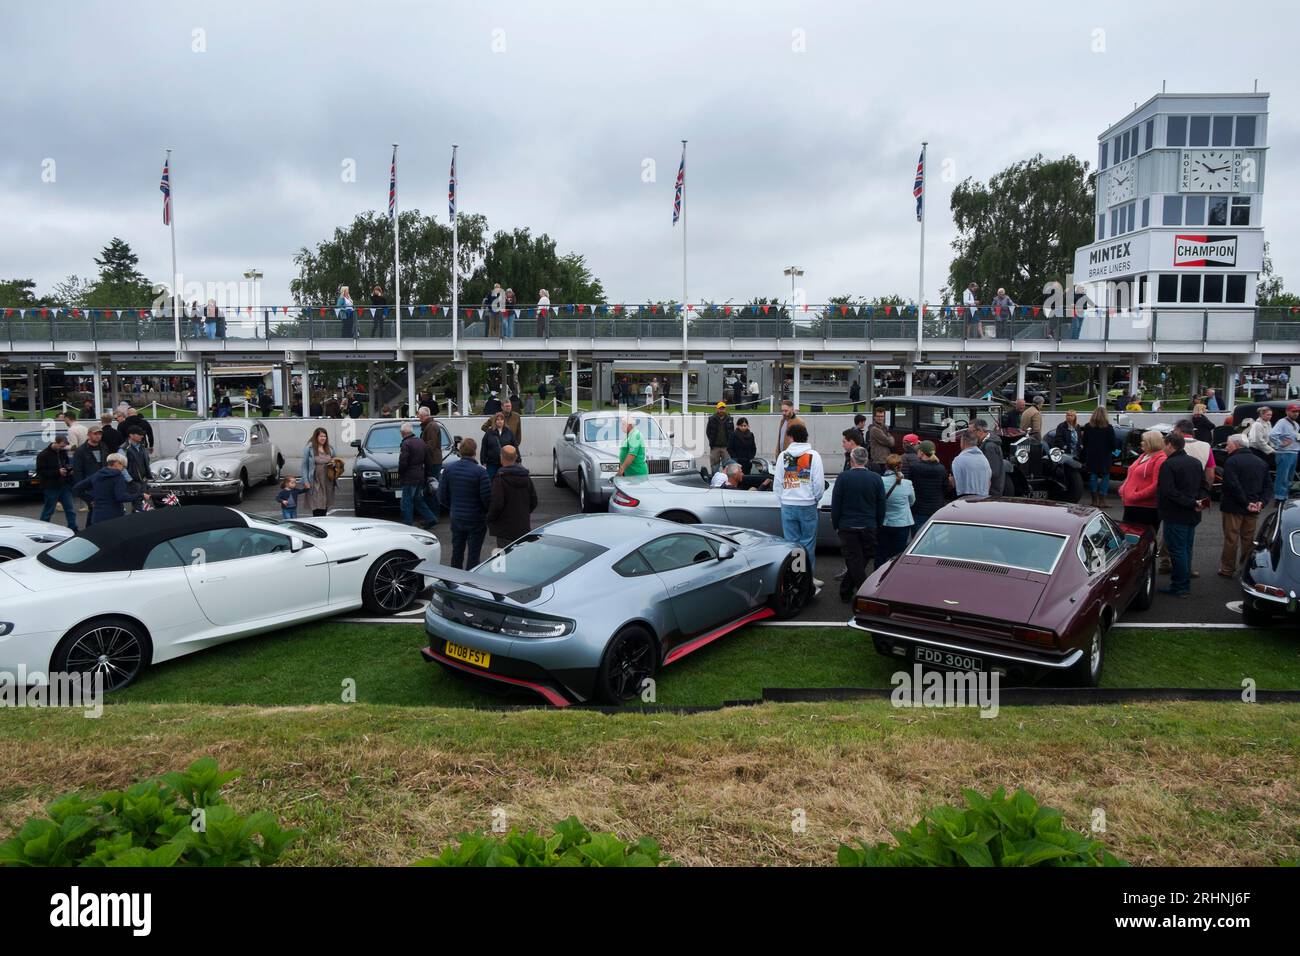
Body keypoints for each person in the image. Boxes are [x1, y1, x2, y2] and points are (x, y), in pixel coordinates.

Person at [831, 445, 885, 601]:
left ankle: (863, 593)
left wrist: (836, 524)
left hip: (847, 526)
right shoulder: (876, 478)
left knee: (854, 560)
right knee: (861, 559)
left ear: (852, 460)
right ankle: (846, 591)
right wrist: (878, 524)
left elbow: (836, 504)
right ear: (866, 460)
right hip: (869, 525)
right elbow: (881, 504)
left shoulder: (843, 477)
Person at [774, 421, 824, 585]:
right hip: (807, 504)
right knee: (808, 543)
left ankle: (795, 578)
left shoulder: (783, 456)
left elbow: (778, 482)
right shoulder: (813, 455)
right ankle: (807, 578)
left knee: (792, 543)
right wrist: (814, 498)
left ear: (791, 437)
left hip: (788, 503)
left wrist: (784, 498)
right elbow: (818, 483)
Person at [1157, 432, 1206, 597]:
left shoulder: (1169, 465)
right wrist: (1199, 502)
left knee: (1178, 550)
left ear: (1170, 445)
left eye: (1165, 444)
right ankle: (1182, 583)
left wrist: (1192, 503)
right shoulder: (1195, 462)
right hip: (1192, 514)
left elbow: (1168, 491)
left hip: (1176, 514)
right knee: (1186, 549)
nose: (1163, 448)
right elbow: (1204, 486)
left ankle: (1180, 586)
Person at [1219, 434, 1268, 577]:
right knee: (1248, 539)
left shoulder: (1231, 462)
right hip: (1254, 507)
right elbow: (1268, 486)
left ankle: (1227, 569)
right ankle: (1246, 569)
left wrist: (1245, 503)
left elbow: (1232, 485)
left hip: (1234, 507)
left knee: (1231, 538)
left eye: (1228, 444)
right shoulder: (1261, 462)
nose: (1227, 447)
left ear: (1236, 445)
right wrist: (1262, 502)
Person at [439, 437, 492, 569]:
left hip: (457, 517)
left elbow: (441, 496)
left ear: (460, 451)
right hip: (476, 519)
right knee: (474, 554)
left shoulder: (449, 470)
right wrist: (485, 512)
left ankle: (454, 580)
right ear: (475, 451)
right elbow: (487, 498)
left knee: (457, 551)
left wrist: (453, 507)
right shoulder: (480, 472)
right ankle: (470, 581)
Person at [486, 445, 537, 550]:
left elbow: (496, 504)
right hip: (523, 526)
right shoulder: (526, 477)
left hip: (505, 530)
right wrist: (523, 513)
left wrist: (490, 518)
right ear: (516, 457)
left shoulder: (500, 479)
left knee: (506, 560)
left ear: (501, 457)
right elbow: (534, 500)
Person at [74, 452, 147, 524]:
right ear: (117, 463)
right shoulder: (118, 476)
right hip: (114, 516)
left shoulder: (96, 475)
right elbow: (121, 497)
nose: (123, 469)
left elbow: (77, 488)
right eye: (123, 466)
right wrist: (140, 495)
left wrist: (90, 499)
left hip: (97, 516)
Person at [1117, 430, 1166, 533]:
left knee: (1141, 538)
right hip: (1131, 505)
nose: (1141, 443)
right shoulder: (1143, 455)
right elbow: (1131, 474)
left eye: (1144, 441)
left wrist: (1135, 495)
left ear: (1152, 442)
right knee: (1127, 536)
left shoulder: (1160, 459)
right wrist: (1122, 490)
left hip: (1145, 507)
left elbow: (1157, 485)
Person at [395, 422, 438, 528]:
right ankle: (431, 518)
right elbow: (428, 461)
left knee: (406, 502)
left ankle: (407, 525)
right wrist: (426, 475)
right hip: (420, 476)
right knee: (418, 500)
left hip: (409, 478)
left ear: (403, 433)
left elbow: (403, 462)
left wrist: (400, 473)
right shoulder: (421, 442)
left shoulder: (406, 444)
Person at [876, 454, 916, 566]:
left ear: (886, 466)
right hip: (902, 523)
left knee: (881, 553)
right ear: (901, 466)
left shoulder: (880, 481)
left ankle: (878, 579)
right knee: (898, 555)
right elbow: (912, 501)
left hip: (884, 522)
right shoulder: (907, 483)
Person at [36, 435, 78, 531]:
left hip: (64, 485)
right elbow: (41, 472)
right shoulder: (43, 455)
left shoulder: (62, 452)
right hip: (51, 486)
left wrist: (69, 470)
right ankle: (42, 529)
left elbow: (66, 463)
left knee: (70, 509)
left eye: (63, 447)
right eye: (61, 446)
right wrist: (57, 472)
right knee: (48, 510)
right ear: (55, 442)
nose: (62, 448)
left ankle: (73, 528)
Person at [908, 440, 948, 535]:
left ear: (921, 452)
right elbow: (945, 488)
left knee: (917, 538)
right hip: (936, 508)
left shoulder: (915, 467)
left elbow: (911, 486)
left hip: (918, 508)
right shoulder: (941, 468)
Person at [1081, 407, 1118, 507]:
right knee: (1105, 477)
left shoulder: (1088, 426)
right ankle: (1102, 500)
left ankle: (1094, 501)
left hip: (1092, 455)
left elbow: (1084, 442)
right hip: (1105, 455)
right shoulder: (1109, 427)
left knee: (1093, 476)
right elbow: (1113, 444)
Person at [71, 425, 106, 521]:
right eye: (95, 434)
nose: (98, 436)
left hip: (103, 483)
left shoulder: (103, 446)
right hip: (89, 485)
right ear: (89, 435)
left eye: (100, 434)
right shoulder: (81, 451)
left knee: (99, 509)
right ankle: (90, 529)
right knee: (94, 508)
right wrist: (81, 487)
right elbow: (77, 470)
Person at [300, 427, 337, 517]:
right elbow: (304, 465)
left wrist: (333, 464)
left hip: (327, 480)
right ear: (316, 437)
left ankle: (323, 521)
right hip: (315, 479)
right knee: (316, 502)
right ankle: (316, 522)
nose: (323, 438)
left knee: (325, 502)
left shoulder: (330, 448)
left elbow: (335, 460)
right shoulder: (309, 448)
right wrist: (305, 481)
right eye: (321, 436)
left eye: (325, 436)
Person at [1269, 403, 1300, 503]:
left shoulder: (1296, 424)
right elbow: (1272, 435)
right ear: (1287, 411)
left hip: (1294, 452)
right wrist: (1281, 444)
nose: (1296, 413)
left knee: (1290, 476)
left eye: (1297, 411)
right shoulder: (1282, 422)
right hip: (1284, 453)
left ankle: (1285, 496)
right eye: (1293, 411)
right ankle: (1279, 498)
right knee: (1283, 476)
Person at [951, 429, 991, 496]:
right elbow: (989, 483)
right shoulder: (984, 460)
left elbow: (955, 483)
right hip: (983, 499)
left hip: (965, 501)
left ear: (963, 442)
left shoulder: (959, 460)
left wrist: (950, 480)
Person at [971, 419, 1004, 496]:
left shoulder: (990, 447)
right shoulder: (986, 443)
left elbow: (993, 471)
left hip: (991, 491)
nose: (970, 435)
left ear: (979, 431)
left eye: (971, 432)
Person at [123, 427, 151, 511]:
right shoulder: (124, 449)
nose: (142, 436)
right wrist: (130, 480)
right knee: (138, 503)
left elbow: (147, 462)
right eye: (139, 434)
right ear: (131, 435)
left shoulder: (142, 447)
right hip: (133, 481)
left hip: (143, 480)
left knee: (141, 503)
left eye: (142, 434)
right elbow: (122, 467)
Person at [706, 402, 734, 471]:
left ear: (725, 409)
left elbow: (732, 432)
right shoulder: (711, 419)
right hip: (715, 447)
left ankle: (727, 481)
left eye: (723, 408)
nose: (721, 410)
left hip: (726, 448)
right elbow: (708, 432)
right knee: (714, 468)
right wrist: (711, 442)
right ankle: (715, 480)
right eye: (720, 408)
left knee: (727, 468)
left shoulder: (730, 419)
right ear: (717, 409)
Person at [866, 406, 893, 472]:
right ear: (874, 417)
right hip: (878, 460)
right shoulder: (874, 429)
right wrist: (890, 437)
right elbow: (890, 442)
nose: (880, 418)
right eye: (878, 416)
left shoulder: (885, 427)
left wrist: (889, 438)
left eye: (882, 416)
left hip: (885, 458)